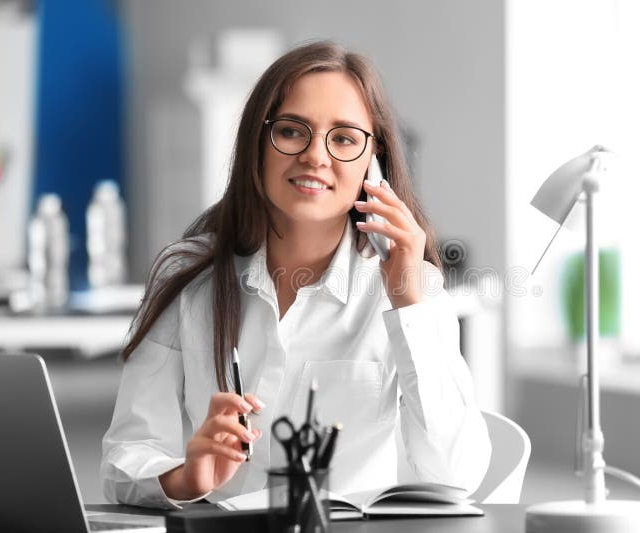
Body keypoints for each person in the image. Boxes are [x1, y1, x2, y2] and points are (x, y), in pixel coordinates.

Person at [101, 40, 491, 509]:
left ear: (375, 160)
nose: (315, 156)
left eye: (344, 138)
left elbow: (457, 475)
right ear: (257, 142)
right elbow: (126, 458)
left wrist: (408, 303)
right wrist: (187, 477)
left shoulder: (412, 289)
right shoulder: (187, 275)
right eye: (291, 131)